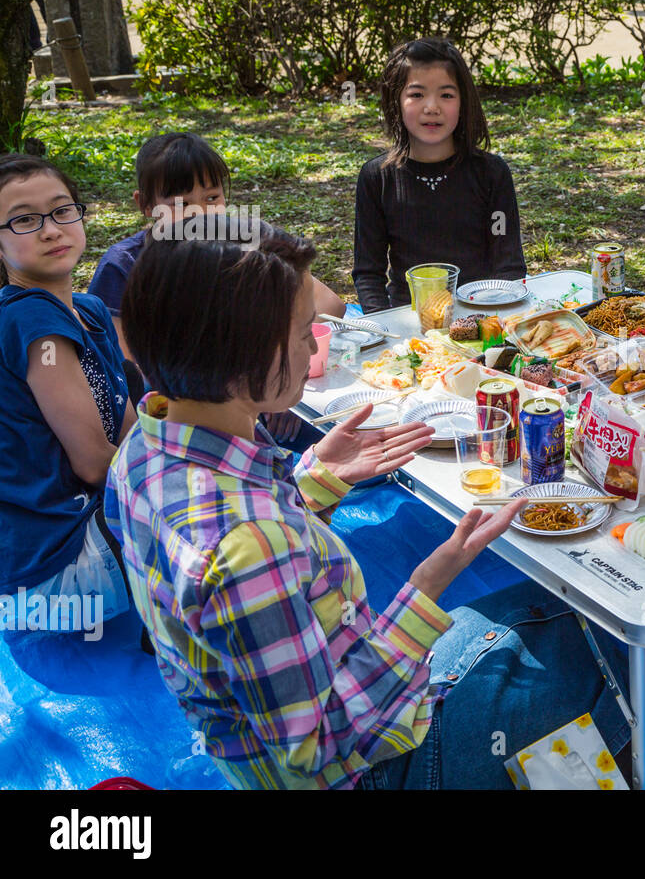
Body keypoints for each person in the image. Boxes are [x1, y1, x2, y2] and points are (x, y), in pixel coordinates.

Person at [106, 224, 532, 788]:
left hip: (259, 746)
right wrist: (428, 588)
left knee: (526, 618)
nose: (314, 346)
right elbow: (322, 743)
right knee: (587, 646)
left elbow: (217, 569)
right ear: (241, 354)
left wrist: (311, 482)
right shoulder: (250, 551)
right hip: (371, 773)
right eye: (305, 330)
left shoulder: (144, 443)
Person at [0, 155, 135, 633]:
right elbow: (96, 464)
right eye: (23, 220)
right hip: (52, 576)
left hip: (84, 539)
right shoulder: (31, 322)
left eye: (62, 210)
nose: (51, 229)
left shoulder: (91, 310)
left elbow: (132, 429)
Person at [88, 132, 345, 359]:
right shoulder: (123, 266)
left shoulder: (240, 249)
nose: (201, 214)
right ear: (145, 204)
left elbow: (330, 305)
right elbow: (121, 361)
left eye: (212, 198)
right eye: (181, 204)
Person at [353, 38, 526, 313]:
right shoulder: (376, 178)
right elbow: (368, 273)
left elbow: (509, 266)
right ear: (395, 100)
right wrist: (384, 329)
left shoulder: (492, 173)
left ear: (463, 102)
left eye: (446, 95)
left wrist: (499, 320)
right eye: (417, 94)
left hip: (481, 315)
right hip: (407, 321)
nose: (431, 107)